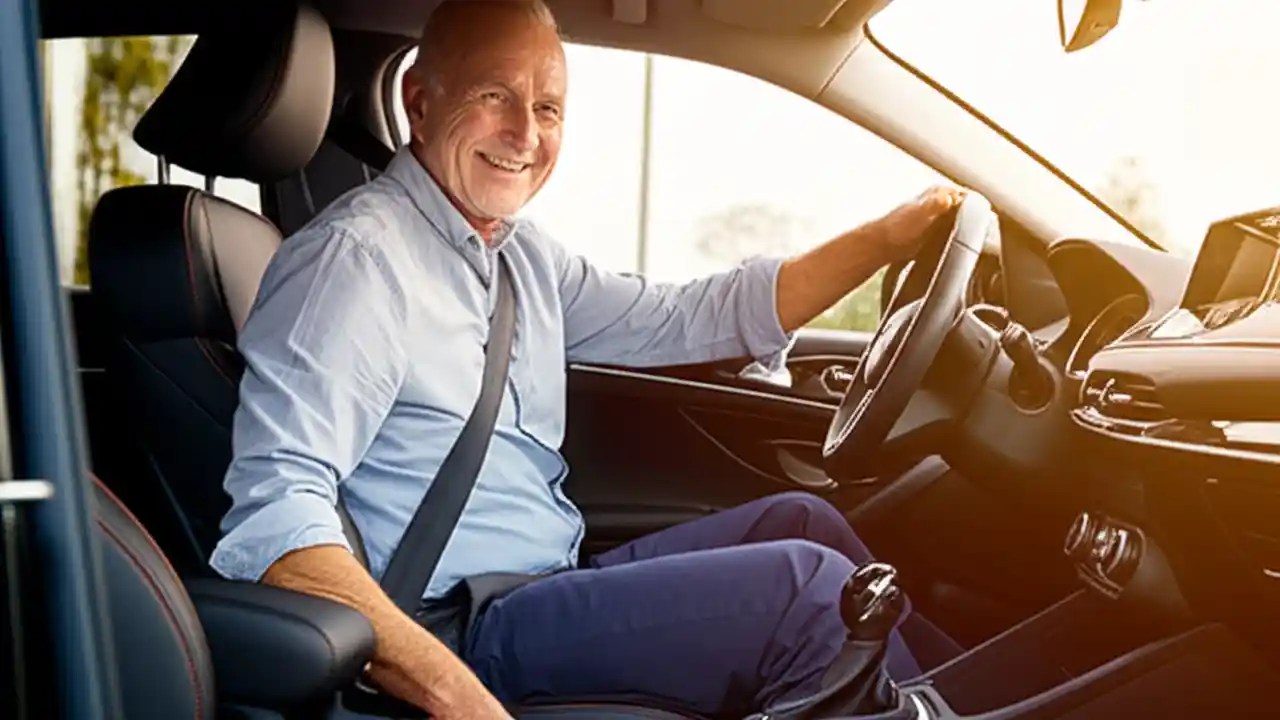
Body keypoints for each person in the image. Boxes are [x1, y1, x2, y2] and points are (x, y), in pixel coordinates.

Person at [211, 1, 965, 717]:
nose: (525, 134)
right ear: (419, 102)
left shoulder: (517, 257)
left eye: (547, 108)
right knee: (810, 590)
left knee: (806, 521)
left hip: (545, 588)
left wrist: (888, 240)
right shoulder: (356, 264)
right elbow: (279, 519)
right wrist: (450, 690)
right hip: (463, 626)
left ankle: (971, 701)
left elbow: (691, 317)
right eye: (493, 95)